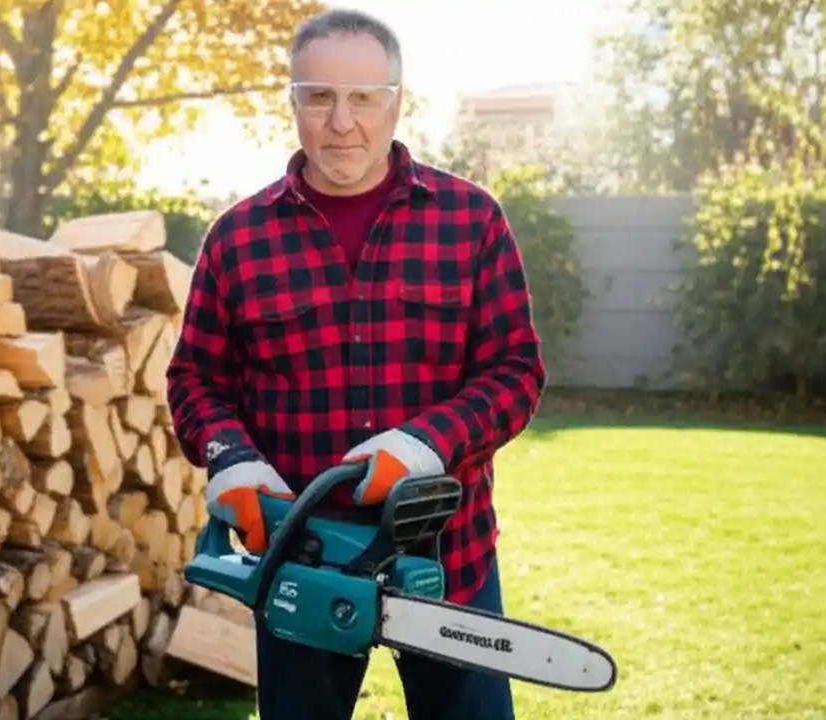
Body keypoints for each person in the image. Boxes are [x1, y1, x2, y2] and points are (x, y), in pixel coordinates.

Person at [165, 8, 546, 720]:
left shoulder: (470, 219)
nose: (342, 121)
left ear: (396, 101)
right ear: (294, 102)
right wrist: (234, 462)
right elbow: (195, 379)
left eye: (363, 97)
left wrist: (424, 445)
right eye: (319, 96)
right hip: (300, 558)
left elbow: (515, 369)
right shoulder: (238, 238)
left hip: (445, 558)